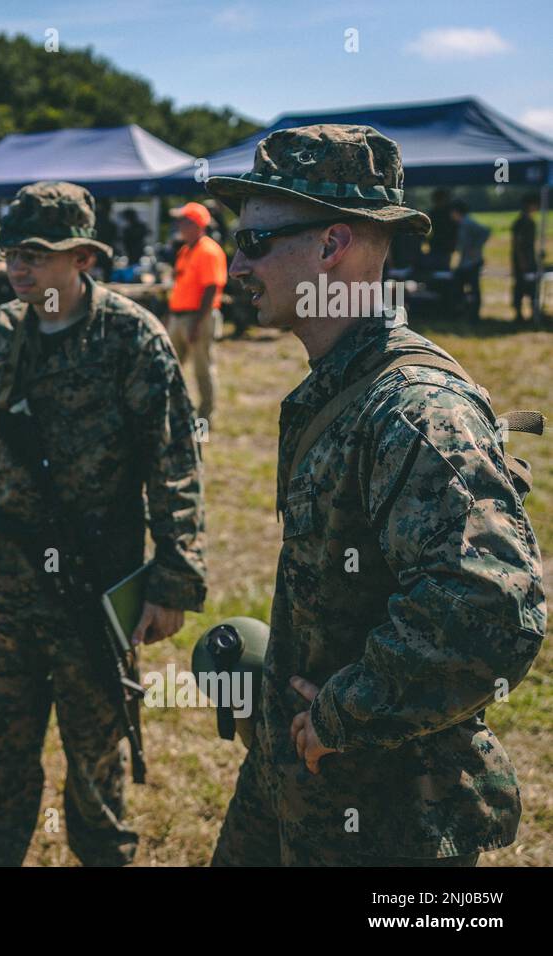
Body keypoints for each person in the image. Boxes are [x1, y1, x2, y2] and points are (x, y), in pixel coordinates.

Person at [206, 125, 545, 867]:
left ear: (331, 246)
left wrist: (343, 712)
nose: (236, 264)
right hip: (298, 785)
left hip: (386, 815)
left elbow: (490, 607)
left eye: (257, 241)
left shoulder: (414, 409)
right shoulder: (342, 386)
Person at [0, 181, 208, 866]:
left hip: (92, 594)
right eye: (11, 254)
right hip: (2, 594)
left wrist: (173, 580)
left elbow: (173, 463)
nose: (18, 268)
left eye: (36, 253)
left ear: (82, 256)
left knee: (95, 769)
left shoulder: (130, 338)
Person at [165, 201, 227, 426]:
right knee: (171, 366)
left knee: (203, 369)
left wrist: (197, 323)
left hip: (197, 316)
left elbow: (212, 288)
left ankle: (205, 416)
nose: (179, 225)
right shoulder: (185, 249)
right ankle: (174, 410)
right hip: (179, 315)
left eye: (183, 221)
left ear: (195, 224)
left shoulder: (208, 250)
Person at [450, 200, 490, 323]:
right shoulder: (463, 223)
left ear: (457, 212)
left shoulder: (468, 222)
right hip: (465, 262)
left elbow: (485, 232)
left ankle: (473, 315)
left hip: (472, 262)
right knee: (464, 288)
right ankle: (466, 313)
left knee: (473, 290)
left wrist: (476, 247)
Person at [511, 194, 540, 322]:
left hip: (528, 260)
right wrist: (522, 261)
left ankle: (531, 313)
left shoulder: (528, 221)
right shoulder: (522, 222)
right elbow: (518, 244)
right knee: (521, 287)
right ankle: (519, 314)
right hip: (523, 261)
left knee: (530, 287)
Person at [425, 187, 457, 271]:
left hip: (439, 243)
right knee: (443, 267)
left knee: (438, 266)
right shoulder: (449, 212)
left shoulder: (434, 212)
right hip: (443, 244)